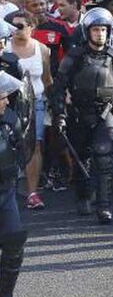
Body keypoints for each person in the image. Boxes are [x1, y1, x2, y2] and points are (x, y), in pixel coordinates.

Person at [50, 7, 113, 224]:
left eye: (104, 30)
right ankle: (84, 195)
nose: (100, 34)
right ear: (88, 31)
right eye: (96, 30)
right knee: (81, 158)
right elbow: (58, 87)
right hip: (78, 113)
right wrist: (59, 115)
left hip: (105, 113)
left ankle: (104, 206)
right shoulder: (74, 56)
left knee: (104, 158)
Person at [5, 13, 52, 210]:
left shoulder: (41, 49)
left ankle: (32, 192)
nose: (16, 29)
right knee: (7, 146)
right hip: (9, 103)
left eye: (20, 25)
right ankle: (8, 190)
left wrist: (55, 103)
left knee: (35, 145)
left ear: (31, 26)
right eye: (12, 26)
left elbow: (47, 79)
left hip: (35, 102)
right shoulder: (4, 48)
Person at [0, 72, 27, 297]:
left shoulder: (11, 119)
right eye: (1, 97)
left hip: (5, 192)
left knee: (15, 240)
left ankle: (5, 295)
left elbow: (22, 152)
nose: (6, 101)